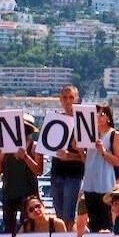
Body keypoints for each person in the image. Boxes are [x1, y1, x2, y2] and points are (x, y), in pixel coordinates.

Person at [0, 113, 43, 236]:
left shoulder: (34, 147)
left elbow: (38, 171)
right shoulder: (6, 147)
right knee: (9, 228)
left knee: (29, 227)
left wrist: (25, 157)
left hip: (28, 194)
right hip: (10, 191)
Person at [80, 104, 119, 234]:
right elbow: (87, 160)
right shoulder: (88, 134)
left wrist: (103, 151)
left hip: (105, 184)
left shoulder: (114, 135)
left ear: (108, 117)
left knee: (106, 222)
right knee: (93, 223)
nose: (98, 117)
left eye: (102, 114)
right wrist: (79, 150)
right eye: (96, 114)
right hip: (90, 183)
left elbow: (118, 161)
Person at [49, 84, 86, 226]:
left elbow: (87, 158)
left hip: (74, 175)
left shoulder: (83, 123)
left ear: (77, 99)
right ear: (60, 100)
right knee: (59, 215)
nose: (68, 101)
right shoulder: (56, 120)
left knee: (69, 215)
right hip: (56, 172)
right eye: (65, 97)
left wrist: (70, 156)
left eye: (71, 97)